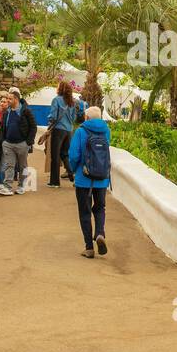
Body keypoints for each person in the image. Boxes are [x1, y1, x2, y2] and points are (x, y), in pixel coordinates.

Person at [69, 105, 111, 259]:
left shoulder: (80, 131)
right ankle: (100, 233)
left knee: (85, 212)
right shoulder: (106, 131)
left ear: (86, 117)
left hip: (83, 179)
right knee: (100, 208)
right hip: (102, 178)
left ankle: (89, 248)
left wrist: (74, 170)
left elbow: (73, 155)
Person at [0, 87, 36, 196]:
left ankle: (21, 186)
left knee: (22, 166)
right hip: (8, 143)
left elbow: (33, 126)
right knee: (9, 165)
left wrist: (28, 142)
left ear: (16, 99)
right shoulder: (7, 112)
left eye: (10, 99)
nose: (7, 101)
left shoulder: (25, 111)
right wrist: (3, 140)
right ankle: (8, 187)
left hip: (22, 143)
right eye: (7, 98)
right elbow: (4, 126)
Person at [45, 80, 79, 188]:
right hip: (69, 130)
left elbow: (53, 116)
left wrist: (49, 121)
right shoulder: (72, 102)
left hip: (58, 130)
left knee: (55, 156)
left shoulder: (56, 100)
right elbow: (74, 118)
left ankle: (54, 182)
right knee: (65, 153)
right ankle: (70, 172)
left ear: (61, 89)